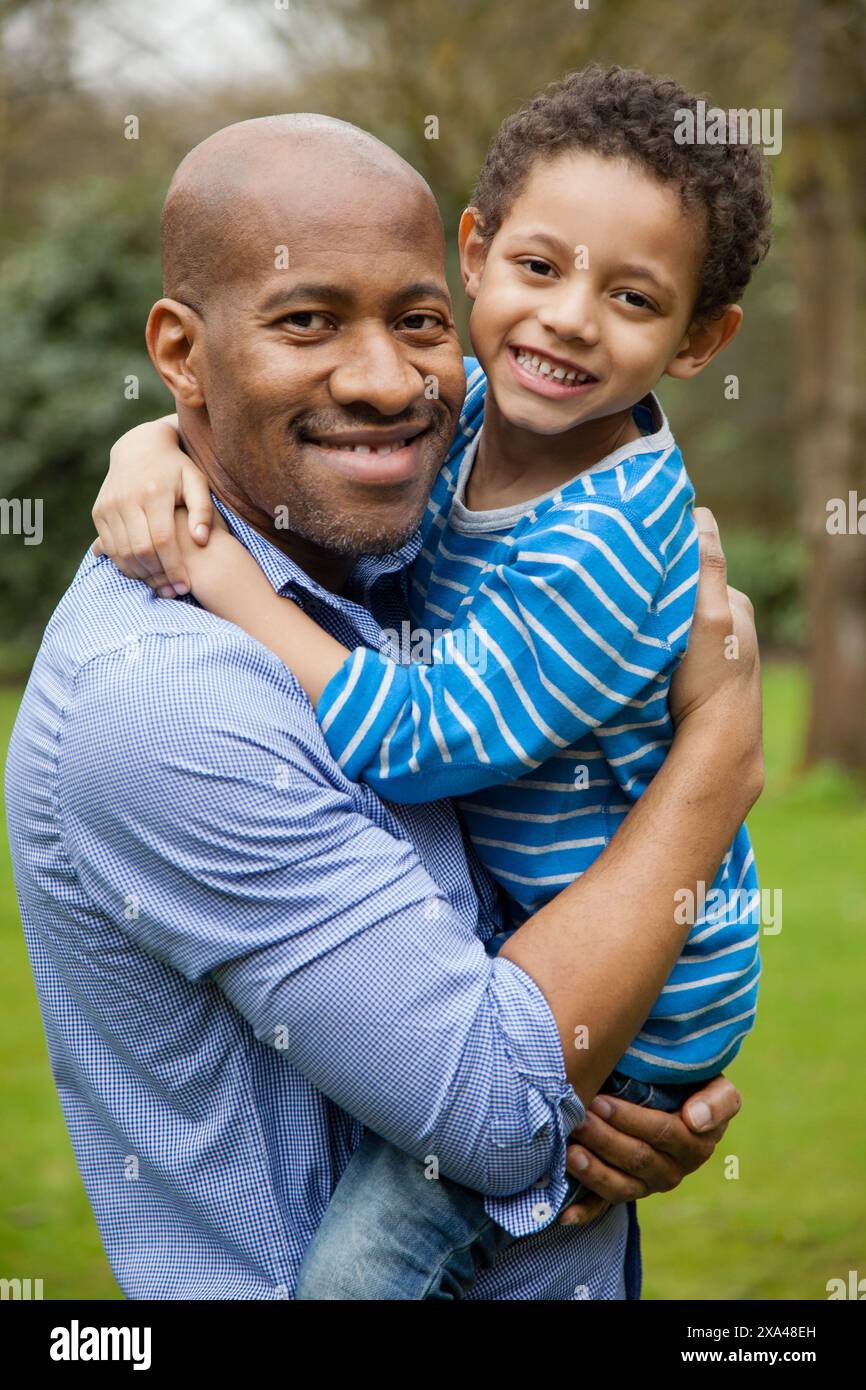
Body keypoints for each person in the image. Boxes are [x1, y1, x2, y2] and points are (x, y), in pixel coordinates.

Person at [8, 112, 760, 1303]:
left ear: (692, 338)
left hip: (639, 1050)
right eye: (307, 319)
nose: (381, 380)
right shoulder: (161, 703)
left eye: (414, 324)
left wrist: (187, 459)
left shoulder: (439, 490)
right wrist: (720, 752)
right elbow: (507, 1116)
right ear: (180, 350)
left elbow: (427, 724)